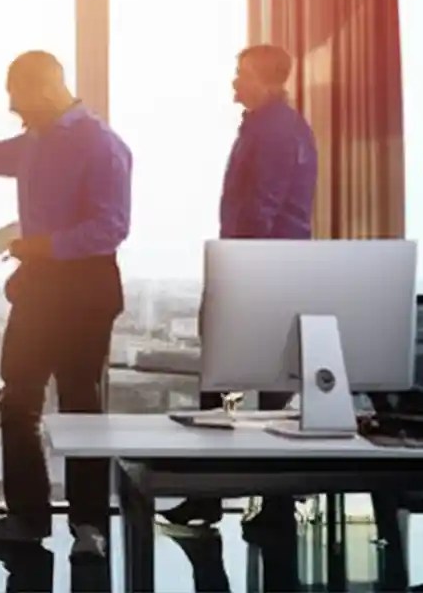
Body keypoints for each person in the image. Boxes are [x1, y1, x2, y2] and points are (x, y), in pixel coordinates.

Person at [0, 51, 132, 561]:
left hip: (85, 289)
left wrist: (42, 245)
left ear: (45, 90)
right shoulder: (34, 143)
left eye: (17, 98)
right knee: (18, 403)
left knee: (80, 404)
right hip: (38, 290)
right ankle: (28, 518)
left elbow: (111, 228)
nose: (13, 109)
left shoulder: (103, 145)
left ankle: (89, 526)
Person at [162, 44, 317, 567]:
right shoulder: (277, 126)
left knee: (223, 385)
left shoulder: (274, 131)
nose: (233, 83)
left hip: (256, 267)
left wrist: (235, 273)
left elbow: (263, 207)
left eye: (241, 74)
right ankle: (266, 501)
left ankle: (214, 498)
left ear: (269, 81)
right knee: (269, 390)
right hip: (271, 267)